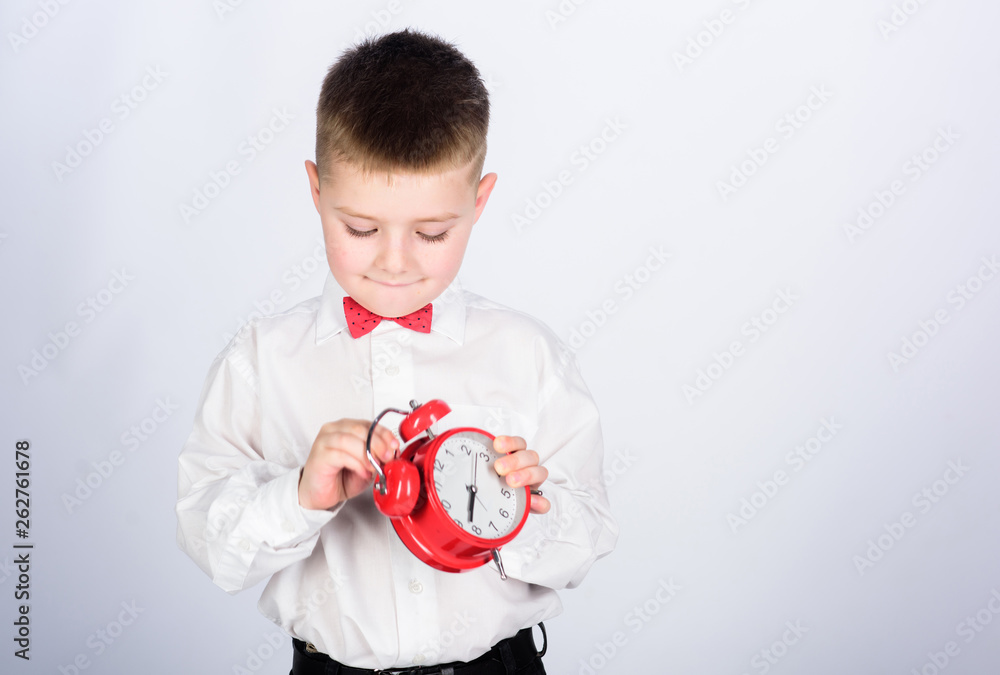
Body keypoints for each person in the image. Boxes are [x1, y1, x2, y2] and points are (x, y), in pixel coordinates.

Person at [174, 27, 617, 675]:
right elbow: (213, 546)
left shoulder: (527, 354)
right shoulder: (262, 361)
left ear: (479, 202)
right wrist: (302, 494)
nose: (394, 262)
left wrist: (519, 514)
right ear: (316, 191)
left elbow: (590, 539)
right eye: (360, 227)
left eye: (433, 232)